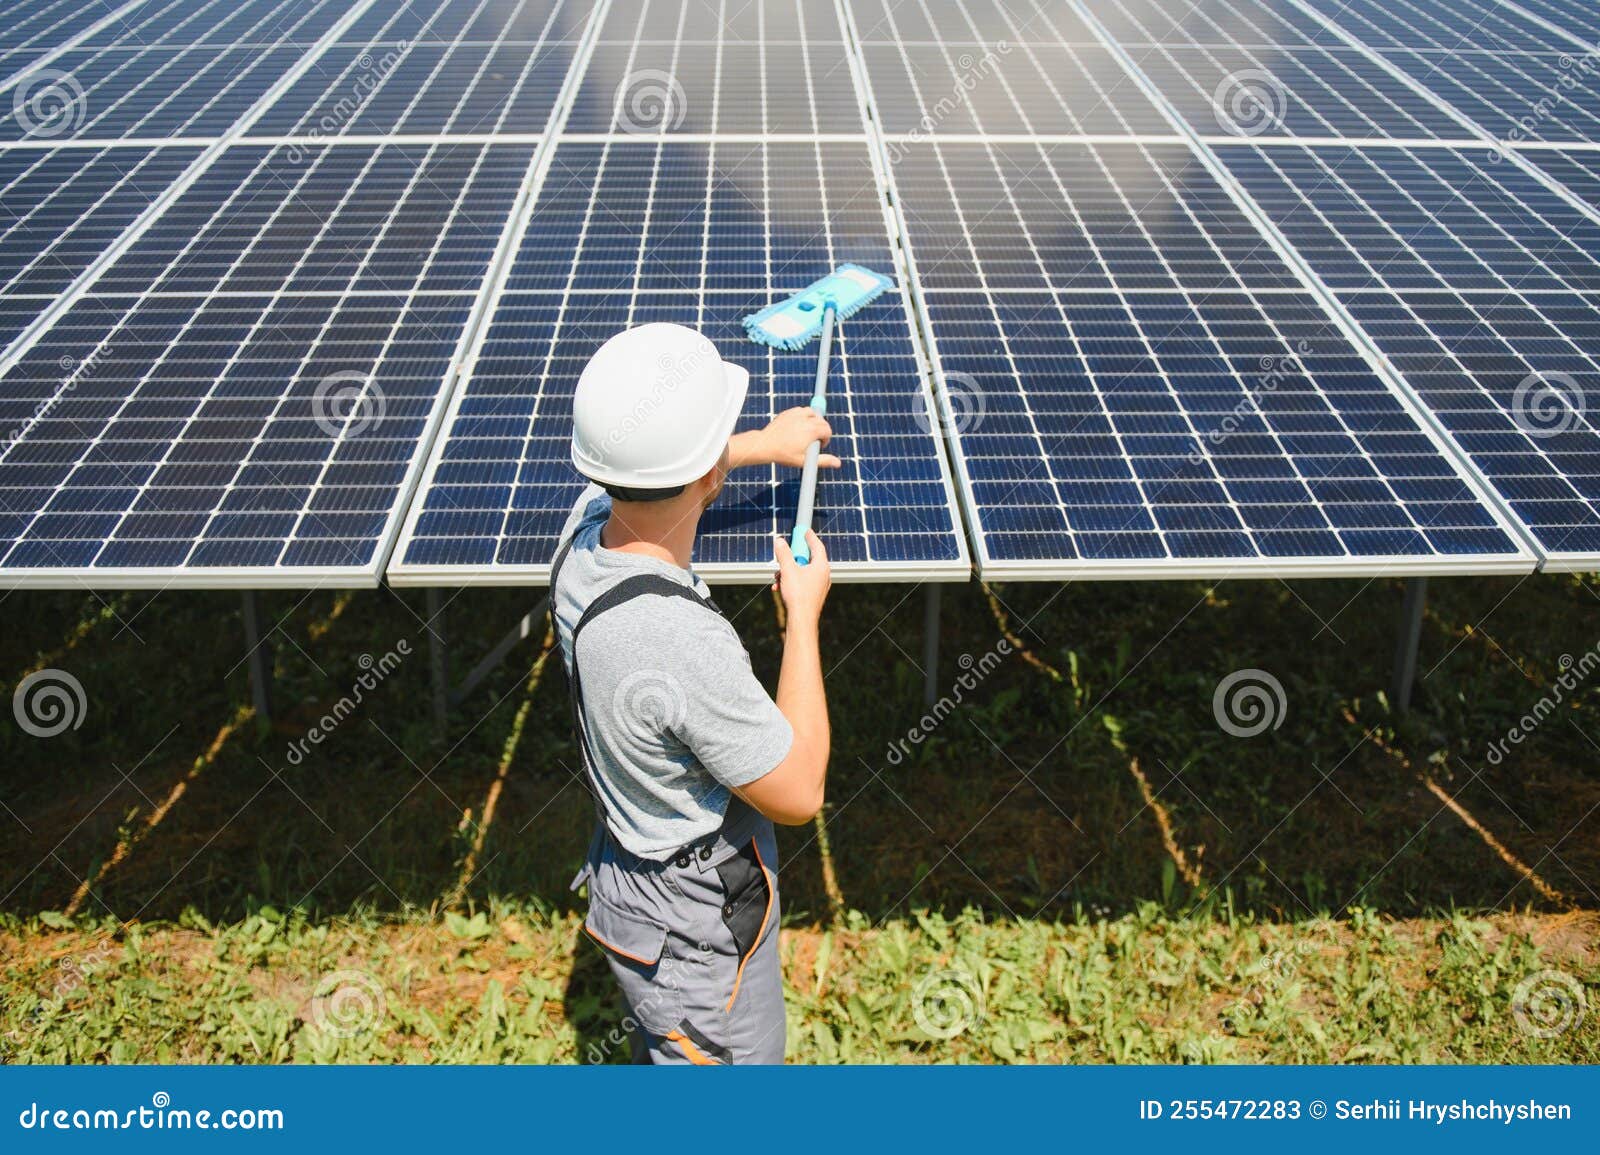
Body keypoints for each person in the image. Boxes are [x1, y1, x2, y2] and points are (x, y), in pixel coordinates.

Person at [554, 322, 834, 1065]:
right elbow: (800, 790)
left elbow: (638, 468)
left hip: (630, 870)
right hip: (698, 917)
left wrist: (755, 443)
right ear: (709, 471)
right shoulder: (677, 644)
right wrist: (801, 619)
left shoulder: (583, 537)